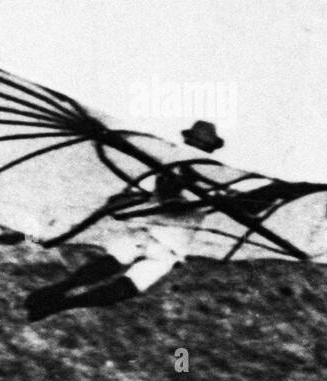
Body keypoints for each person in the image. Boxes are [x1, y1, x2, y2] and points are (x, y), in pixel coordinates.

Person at [24, 120, 225, 321]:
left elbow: (196, 202)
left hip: (169, 242)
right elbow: (155, 191)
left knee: (129, 284)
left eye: (203, 145)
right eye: (195, 142)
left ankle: (61, 303)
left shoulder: (213, 174)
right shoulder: (171, 160)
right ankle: (59, 291)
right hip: (149, 231)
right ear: (188, 140)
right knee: (114, 263)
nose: (198, 147)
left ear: (209, 148)